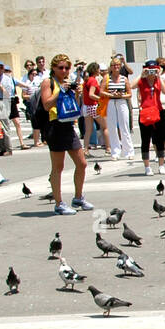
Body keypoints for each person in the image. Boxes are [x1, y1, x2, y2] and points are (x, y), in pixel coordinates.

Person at [39, 54, 94, 214]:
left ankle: (78, 197)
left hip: (68, 124)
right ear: (53, 68)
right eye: (60, 67)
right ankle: (59, 203)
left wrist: (75, 92)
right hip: (54, 125)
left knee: (82, 163)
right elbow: (47, 104)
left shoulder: (67, 82)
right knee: (58, 166)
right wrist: (60, 91)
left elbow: (73, 105)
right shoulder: (48, 82)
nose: (64, 70)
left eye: (66, 68)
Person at [136, 59, 165, 175]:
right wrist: (142, 74)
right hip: (146, 113)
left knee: (159, 139)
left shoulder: (158, 80)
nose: (151, 73)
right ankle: (147, 167)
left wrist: (158, 76)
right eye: (149, 70)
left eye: (154, 70)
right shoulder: (142, 81)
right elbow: (132, 86)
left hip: (158, 112)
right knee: (145, 140)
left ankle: (161, 165)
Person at [103, 57, 133, 160]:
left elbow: (129, 94)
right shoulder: (107, 78)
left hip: (121, 102)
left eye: (118, 65)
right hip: (111, 102)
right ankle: (115, 151)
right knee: (112, 127)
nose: (116, 67)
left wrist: (121, 95)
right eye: (114, 65)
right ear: (111, 67)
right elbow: (101, 91)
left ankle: (129, 151)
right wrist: (111, 94)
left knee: (124, 126)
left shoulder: (124, 78)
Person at [80, 62, 105, 154]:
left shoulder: (86, 80)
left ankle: (85, 149)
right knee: (105, 127)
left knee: (88, 129)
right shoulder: (93, 80)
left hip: (86, 107)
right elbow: (91, 94)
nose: (99, 71)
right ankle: (108, 148)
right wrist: (101, 99)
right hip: (93, 106)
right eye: (98, 69)